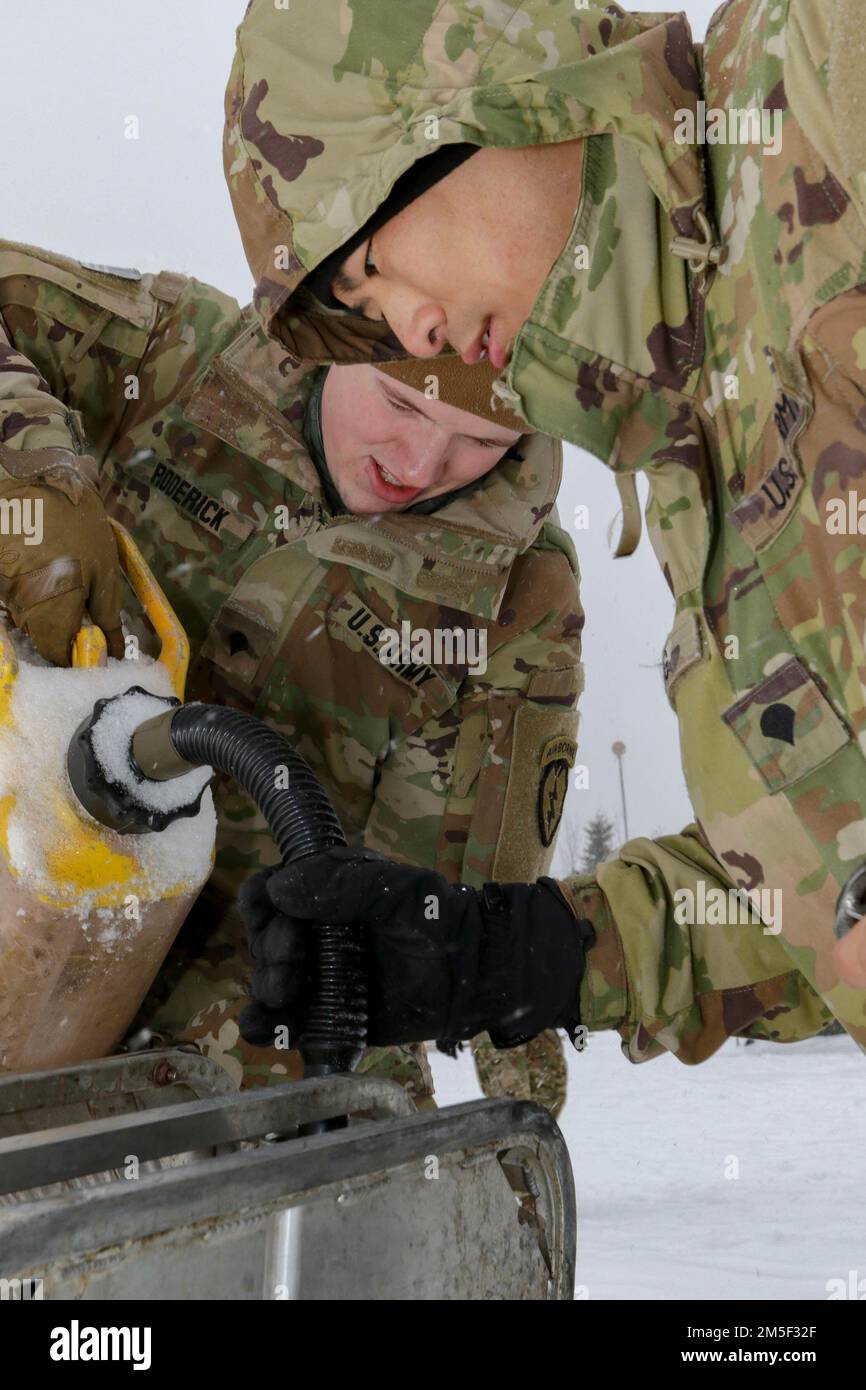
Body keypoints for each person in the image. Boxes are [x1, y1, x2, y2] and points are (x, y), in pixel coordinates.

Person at [222, 0, 866, 1059]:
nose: (413, 329)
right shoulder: (692, 475)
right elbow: (808, 911)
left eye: (369, 264)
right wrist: (514, 952)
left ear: (461, 79)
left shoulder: (806, 80)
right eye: (372, 326)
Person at [0, 239, 581, 1111]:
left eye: (479, 443)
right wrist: (31, 471)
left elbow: (469, 903)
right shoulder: (177, 358)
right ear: (346, 325)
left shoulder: (515, 597)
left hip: (235, 1070)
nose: (418, 466)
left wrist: (516, 1128)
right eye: (400, 403)